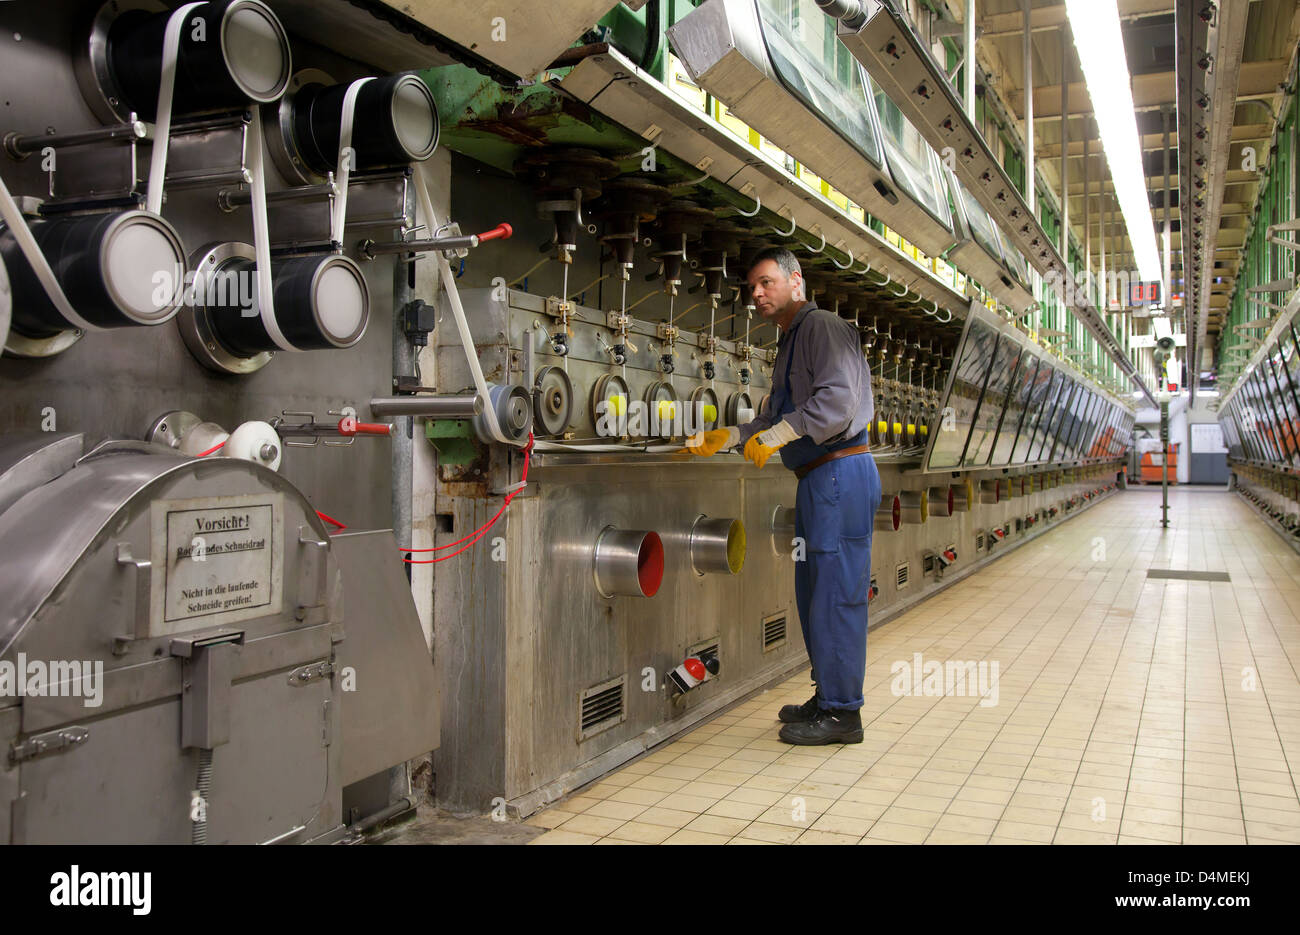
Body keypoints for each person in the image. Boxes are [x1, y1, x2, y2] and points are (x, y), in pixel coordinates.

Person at [686, 247, 881, 744]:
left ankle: (843, 714)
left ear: (796, 281)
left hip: (839, 474)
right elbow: (774, 417)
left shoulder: (823, 328)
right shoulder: (792, 341)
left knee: (836, 597)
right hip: (820, 480)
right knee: (815, 595)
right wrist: (731, 436)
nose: (756, 294)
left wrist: (778, 437)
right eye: (752, 287)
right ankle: (829, 695)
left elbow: (837, 403)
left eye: (766, 282)